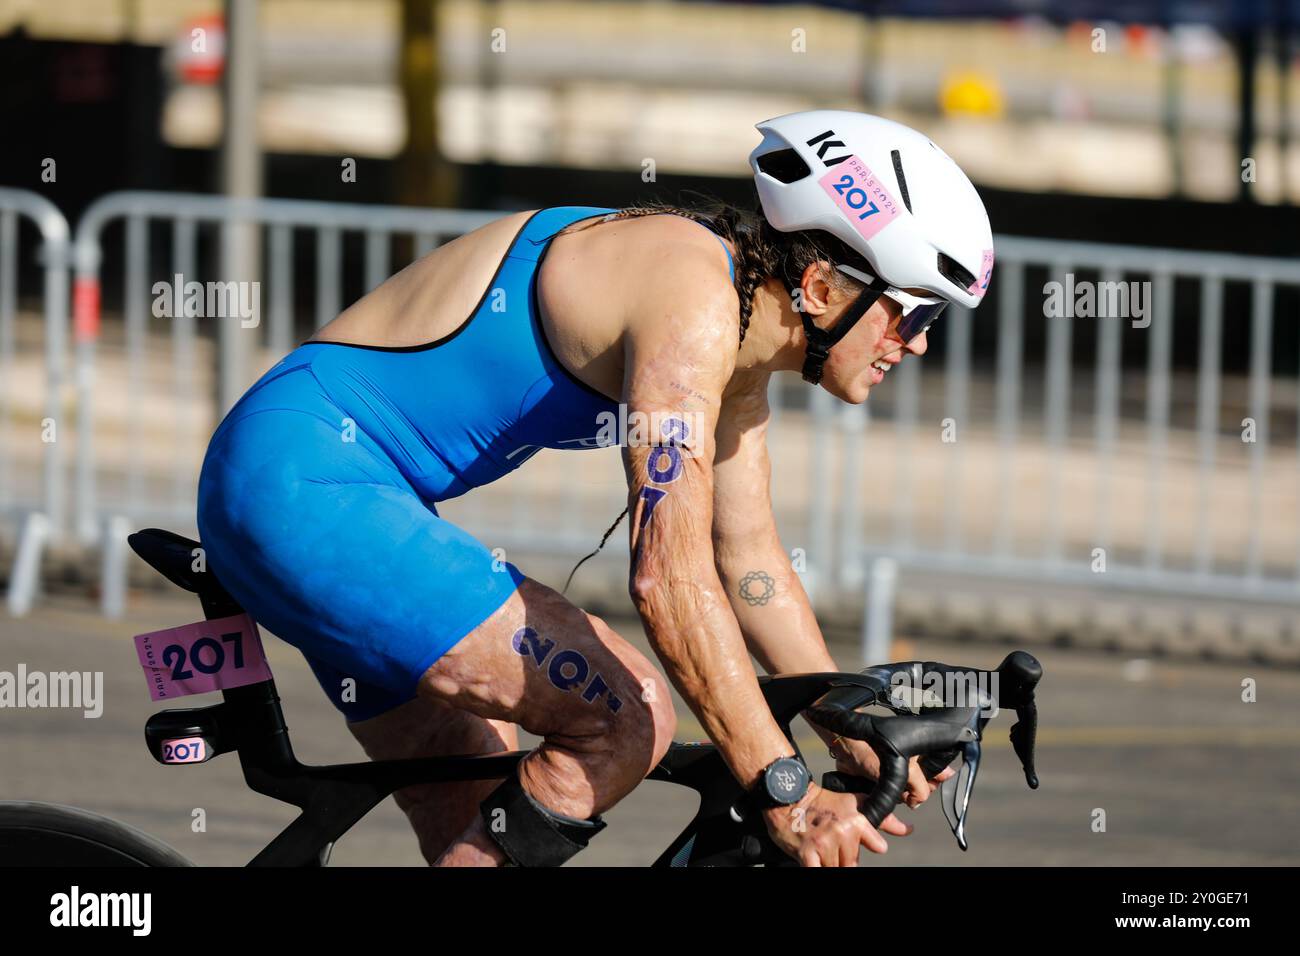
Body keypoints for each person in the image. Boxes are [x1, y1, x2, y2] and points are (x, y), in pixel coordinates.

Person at [196, 109, 995, 867]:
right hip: (306, 485)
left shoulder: (743, 346)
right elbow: (668, 580)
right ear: (822, 286)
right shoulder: (692, 301)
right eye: (913, 318)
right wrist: (782, 790)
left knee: (477, 804)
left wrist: (849, 732)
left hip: (328, 497)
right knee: (629, 716)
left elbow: (749, 565)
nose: (915, 346)